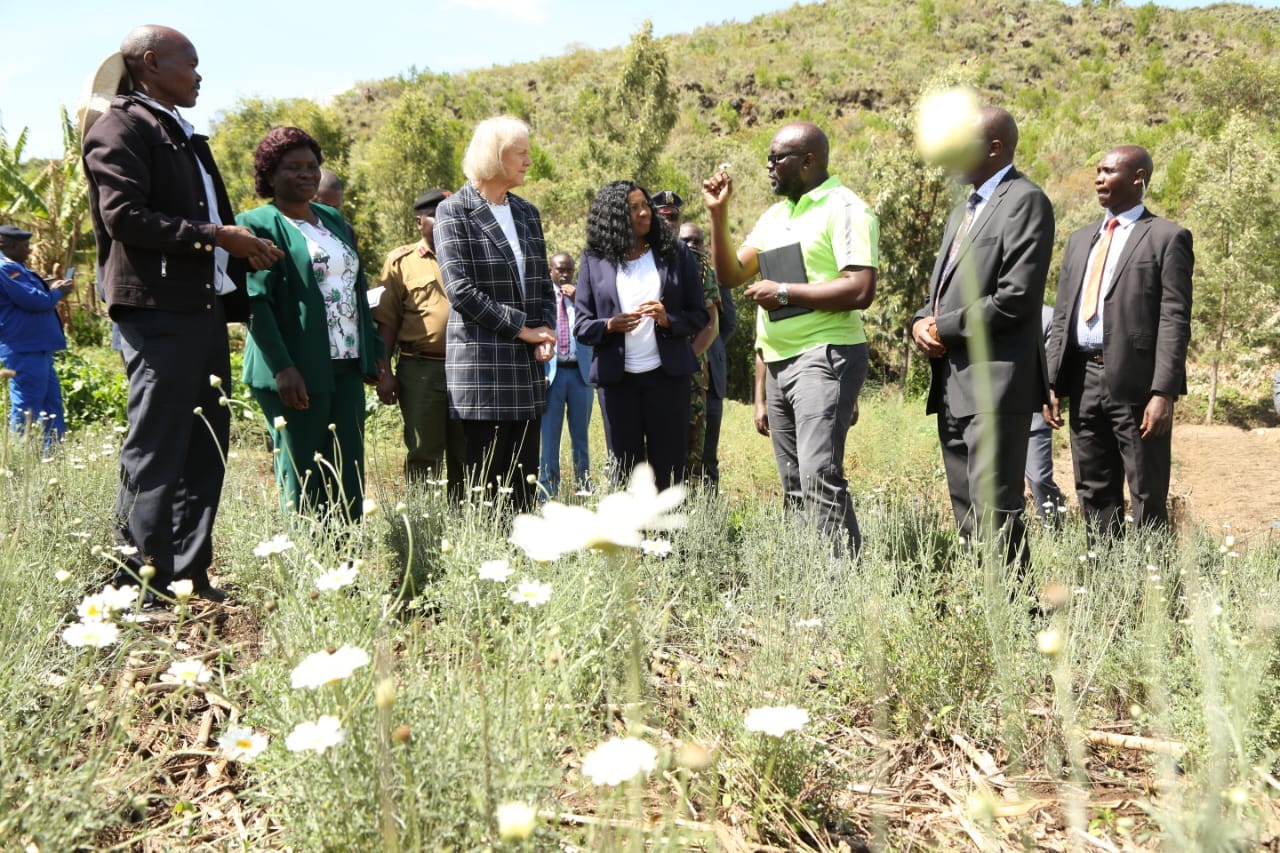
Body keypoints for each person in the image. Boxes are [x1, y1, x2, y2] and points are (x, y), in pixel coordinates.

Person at [82, 25, 283, 602]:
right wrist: (216, 235)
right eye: (188, 63)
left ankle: (189, 573)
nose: (199, 75)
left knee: (204, 443)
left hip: (199, 310)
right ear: (151, 63)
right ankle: (140, 577)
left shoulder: (183, 134)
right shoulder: (121, 125)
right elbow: (124, 217)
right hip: (155, 310)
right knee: (157, 444)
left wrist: (235, 249)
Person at [704, 122, 878, 556]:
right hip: (780, 360)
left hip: (826, 353)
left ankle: (845, 585)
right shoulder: (776, 215)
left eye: (777, 158)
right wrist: (717, 214)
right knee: (795, 481)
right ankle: (812, 576)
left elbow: (860, 289)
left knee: (820, 471)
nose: (769, 166)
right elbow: (729, 275)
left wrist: (782, 292)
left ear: (809, 161)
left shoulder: (846, 208)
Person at [910, 107, 1054, 570]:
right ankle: (986, 603)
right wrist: (919, 322)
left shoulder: (1026, 200)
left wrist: (943, 329)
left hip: (995, 385)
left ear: (994, 148)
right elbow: (941, 293)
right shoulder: (963, 211)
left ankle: (1017, 616)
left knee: (995, 507)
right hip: (953, 383)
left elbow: (1015, 297)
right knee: (966, 508)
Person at [237, 126, 387, 519]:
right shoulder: (256, 224)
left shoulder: (331, 220)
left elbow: (353, 287)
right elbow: (255, 301)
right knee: (303, 474)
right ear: (270, 174)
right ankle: (307, 567)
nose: (306, 174)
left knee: (347, 470)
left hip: (345, 364)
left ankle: (346, 565)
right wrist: (283, 368)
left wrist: (373, 351)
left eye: (312, 166)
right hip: (295, 368)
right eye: (293, 168)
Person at [1044, 145, 1193, 538]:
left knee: (1146, 489)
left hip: (1138, 385)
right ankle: (1105, 579)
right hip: (1084, 380)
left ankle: (1153, 585)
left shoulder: (1167, 237)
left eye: (1109, 171)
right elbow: (1063, 316)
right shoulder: (1080, 240)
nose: (1099, 178)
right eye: (1097, 170)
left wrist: (1164, 392)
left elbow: (1174, 320)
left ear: (1138, 177)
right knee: (1092, 488)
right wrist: (1051, 382)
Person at [434, 115, 555, 512]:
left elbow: (541, 284)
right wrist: (525, 330)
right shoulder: (454, 212)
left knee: (523, 483)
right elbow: (460, 291)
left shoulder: (527, 213)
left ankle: (524, 561)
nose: (528, 161)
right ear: (495, 155)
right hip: (482, 369)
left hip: (525, 368)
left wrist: (546, 332)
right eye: (521, 153)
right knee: (482, 487)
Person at [574, 181, 709, 491]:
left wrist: (668, 319)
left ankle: (667, 539)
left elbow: (699, 315)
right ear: (614, 216)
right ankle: (630, 539)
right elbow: (582, 325)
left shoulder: (674, 252)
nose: (644, 212)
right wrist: (609, 325)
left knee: (669, 469)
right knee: (625, 470)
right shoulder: (595, 259)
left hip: (668, 379)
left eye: (644, 205)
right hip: (618, 384)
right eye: (634, 208)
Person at [373, 189, 466, 497]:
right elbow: (388, 321)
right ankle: (424, 521)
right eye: (437, 216)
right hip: (421, 369)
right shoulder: (401, 262)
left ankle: (464, 524)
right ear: (419, 222)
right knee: (424, 451)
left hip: (467, 368)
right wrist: (384, 371)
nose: (445, 222)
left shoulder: (469, 256)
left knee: (466, 452)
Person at [652, 191, 718, 478]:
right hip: (644, 367)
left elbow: (711, 323)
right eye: (662, 217)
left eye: (673, 217)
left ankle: (689, 519)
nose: (669, 223)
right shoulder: (635, 256)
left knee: (690, 451)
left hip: (688, 370)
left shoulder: (698, 264)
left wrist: (685, 358)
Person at [0, 225, 74, 441]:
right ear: (11, 246)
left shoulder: (17, 268)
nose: (30, 250)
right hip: (24, 348)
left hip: (37, 347)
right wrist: (58, 292)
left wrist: (53, 287)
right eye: (25, 246)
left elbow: (35, 294)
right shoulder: (5, 269)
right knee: (27, 406)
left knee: (52, 405)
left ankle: (52, 456)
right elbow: (35, 301)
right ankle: (16, 461)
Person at [680, 221, 737, 488]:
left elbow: (728, 323)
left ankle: (710, 514)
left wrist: (710, 345)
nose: (692, 246)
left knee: (708, 455)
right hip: (681, 375)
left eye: (696, 241)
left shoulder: (712, 276)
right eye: (686, 240)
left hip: (711, 378)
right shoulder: (672, 273)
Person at [538, 252, 594, 498]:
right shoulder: (542, 297)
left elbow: (597, 323)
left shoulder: (583, 296)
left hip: (580, 374)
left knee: (580, 437)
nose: (564, 274)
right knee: (549, 439)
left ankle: (584, 489)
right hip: (553, 375)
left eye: (569, 270)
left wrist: (580, 299)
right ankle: (547, 493)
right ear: (550, 269)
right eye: (559, 269)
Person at [1025, 304, 1064, 524]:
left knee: (1039, 479)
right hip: (998, 412)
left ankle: (1056, 533)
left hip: (1035, 412)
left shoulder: (1049, 317)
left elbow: (1051, 368)